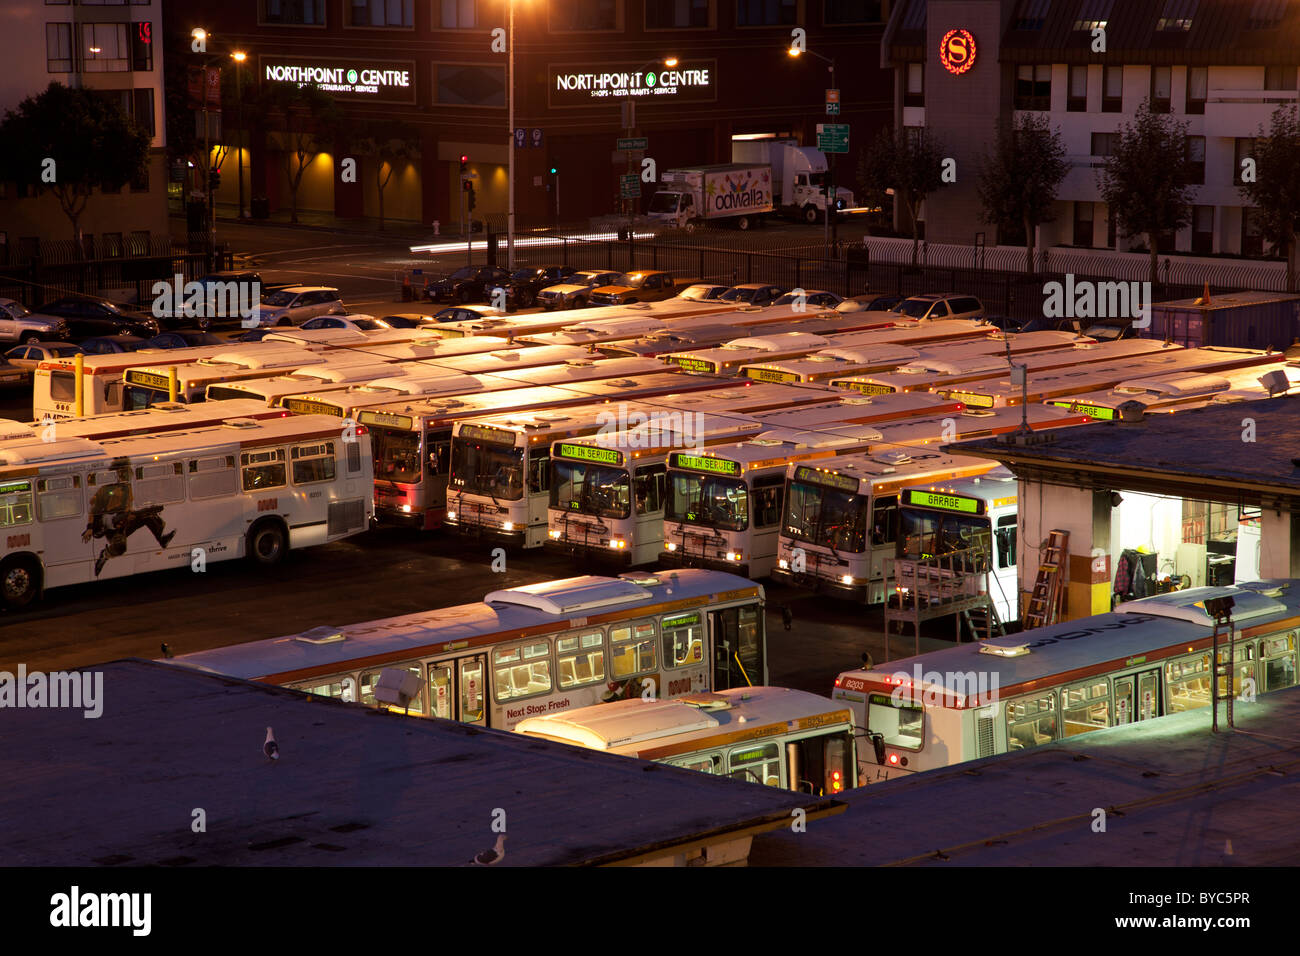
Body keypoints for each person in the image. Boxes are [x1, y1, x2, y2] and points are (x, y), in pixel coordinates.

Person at [82, 463, 175, 576]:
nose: (125, 476)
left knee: (148, 517)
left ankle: (162, 540)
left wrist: (131, 516)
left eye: (127, 474)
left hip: (123, 523)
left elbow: (127, 509)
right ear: (116, 475)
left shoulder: (127, 489)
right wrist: (90, 527)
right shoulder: (105, 490)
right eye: (122, 474)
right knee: (120, 547)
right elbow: (93, 509)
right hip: (109, 527)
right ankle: (105, 555)